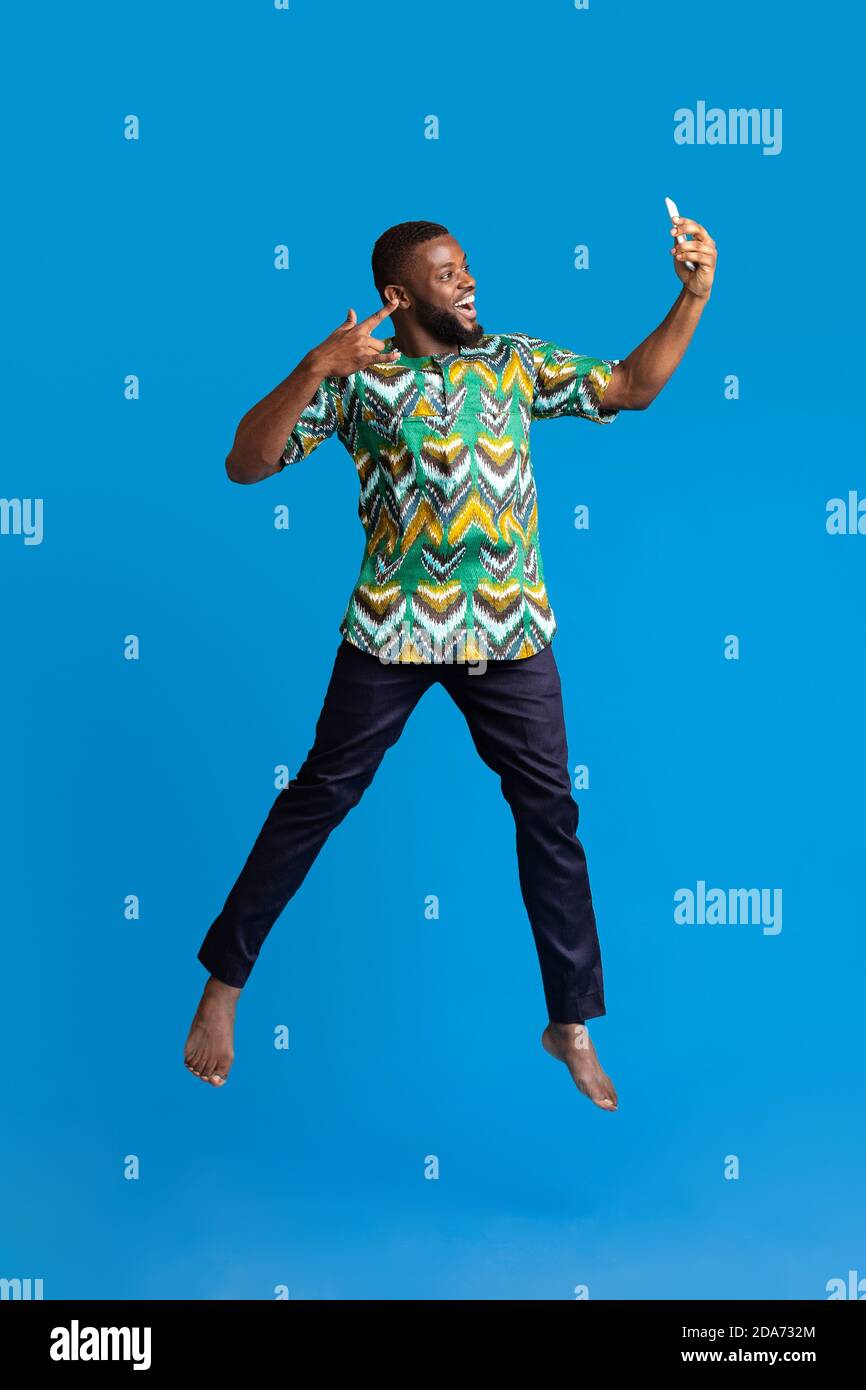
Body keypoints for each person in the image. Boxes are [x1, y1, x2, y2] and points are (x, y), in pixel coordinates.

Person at [184, 216, 718, 1109]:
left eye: (468, 268)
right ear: (399, 296)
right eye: (447, 274)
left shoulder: (509, 360)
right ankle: (222, 988)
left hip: (509, 634)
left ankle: (569, 1023)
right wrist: (315, 368)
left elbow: (630, 387)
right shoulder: (360, 382)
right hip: (393, 631)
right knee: (318, 798)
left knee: (550, 815)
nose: (468, 284)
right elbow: (246, 464)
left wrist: (693, 292)